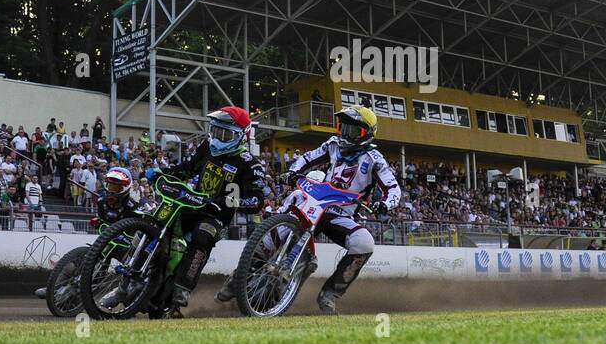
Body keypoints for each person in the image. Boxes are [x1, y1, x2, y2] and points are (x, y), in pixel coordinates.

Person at [223, 104, 399, 313]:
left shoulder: (374, 159)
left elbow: (393, 188)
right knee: (278, 228)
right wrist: (292, 172)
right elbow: (306, 159)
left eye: (352, 130)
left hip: (340, 213)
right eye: (342, 128)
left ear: (366, 134)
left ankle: (330, 293)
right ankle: (238, 278)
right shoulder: (332, 144)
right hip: (315, 202)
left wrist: (385, 205)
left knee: (365, 243)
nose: (345, 134)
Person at [112, 106, 267, 318]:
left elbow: (256, 201)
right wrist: (161, 173)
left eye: (225, 133)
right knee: (155, 224)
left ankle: (182, 288)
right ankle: (124, 284)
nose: (219, 138)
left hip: (216, 216)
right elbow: (187, 168)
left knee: (202, 236)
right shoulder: (207, 147)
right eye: (216, 131)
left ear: (241, 136)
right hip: (192, 203)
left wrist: (225, 202)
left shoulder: (250, 164)